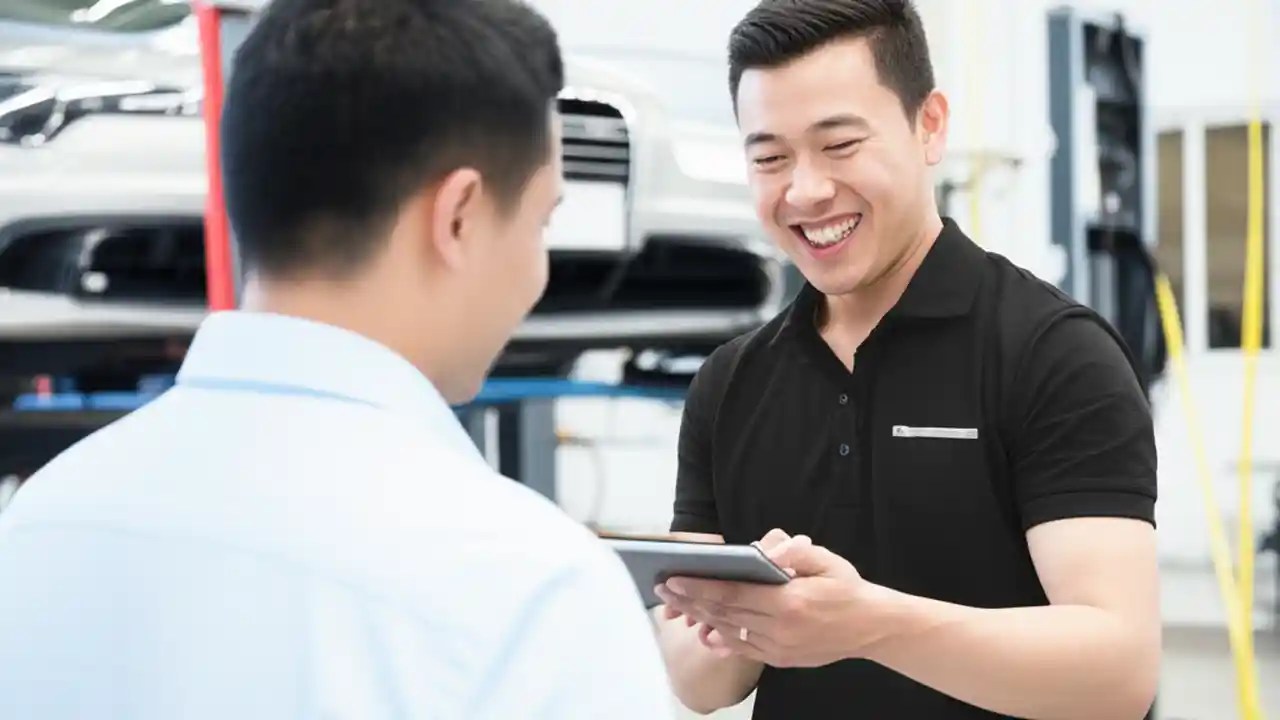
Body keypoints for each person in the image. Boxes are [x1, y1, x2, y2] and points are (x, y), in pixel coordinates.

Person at [0, 1, 674, 718]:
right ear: (459, 216)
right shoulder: (537, 593)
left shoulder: (41, 523)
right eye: (542, 221)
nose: (540, 271)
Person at [653, 1, 1161, 718]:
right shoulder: (732, 381)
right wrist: (750, 614)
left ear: (930, 126)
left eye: (839, 145)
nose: (805, 190)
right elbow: (700, 685)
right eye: (769, 158)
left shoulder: (1055, 354)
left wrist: (869, 624)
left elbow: (1118, 672)